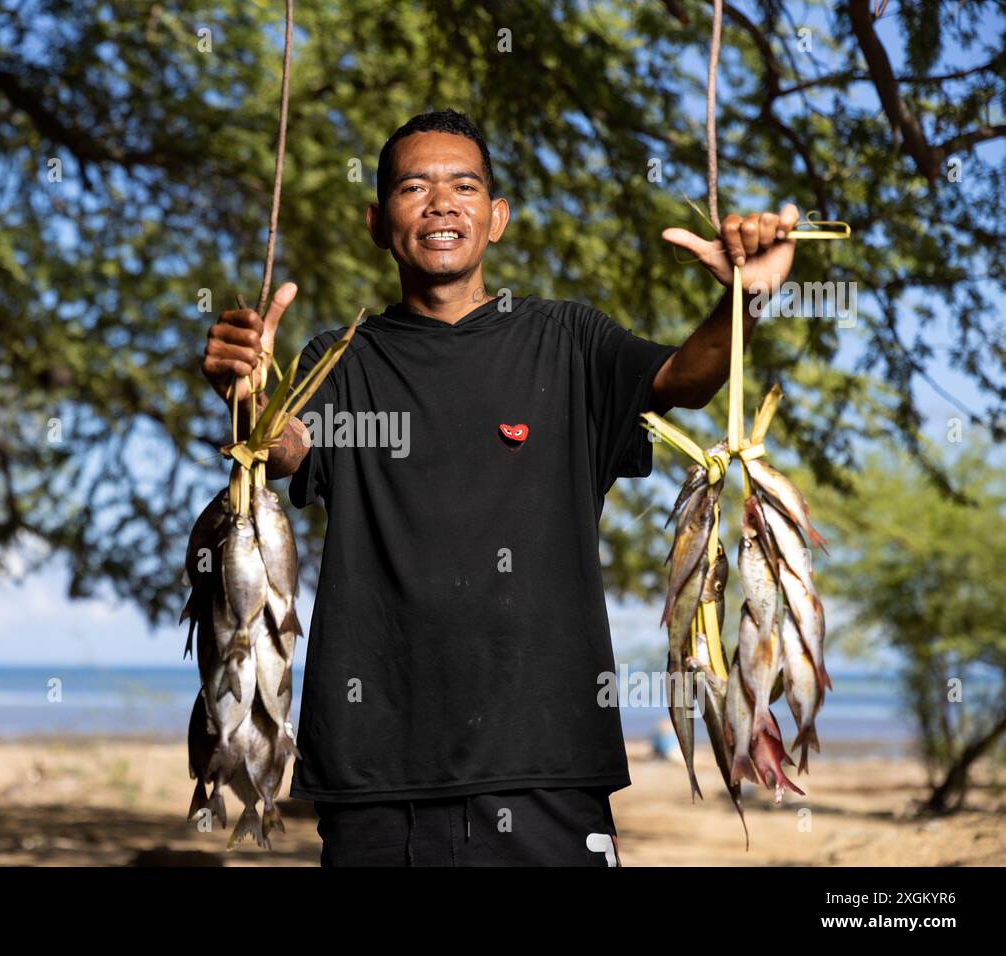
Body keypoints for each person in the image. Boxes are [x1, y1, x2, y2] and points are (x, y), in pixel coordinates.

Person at [201, 109, 800, 866]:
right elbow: (283, 446)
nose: (441, 203)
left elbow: (684, 379)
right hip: (377, 773)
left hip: (549, 763)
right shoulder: (340, 359)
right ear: (377, 223)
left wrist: (744, 298)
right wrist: (247, 394)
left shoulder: (570, 342)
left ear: (498, 217)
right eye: (413, 187)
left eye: (464, 185)